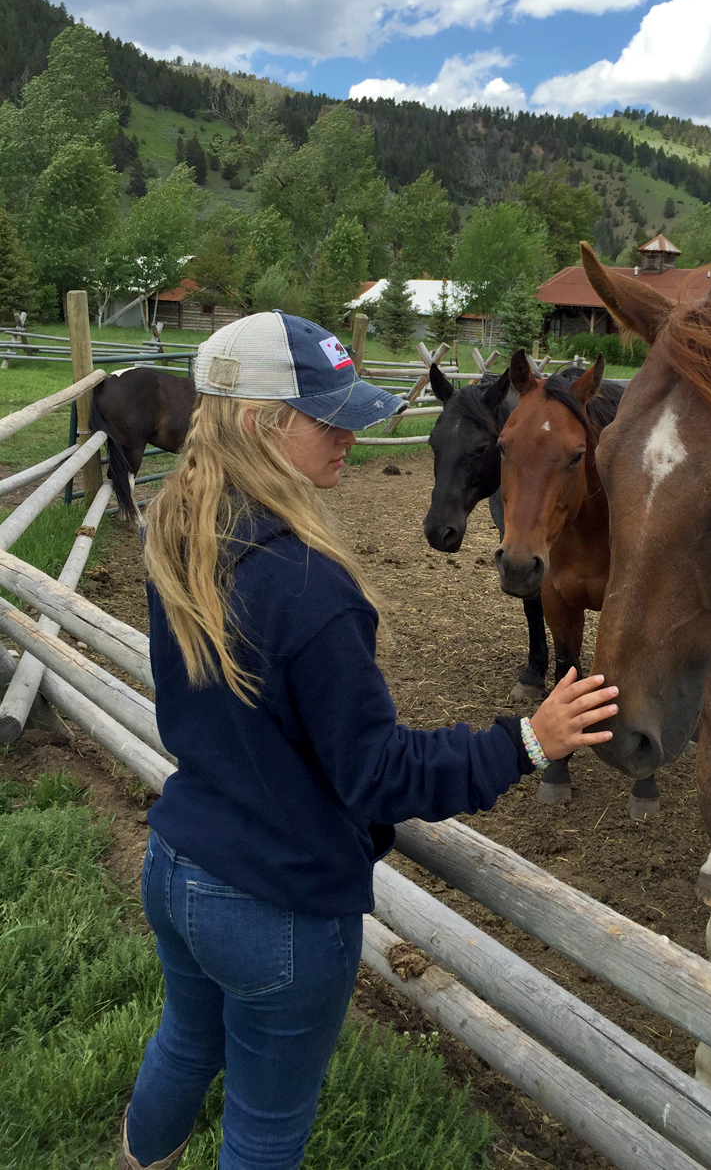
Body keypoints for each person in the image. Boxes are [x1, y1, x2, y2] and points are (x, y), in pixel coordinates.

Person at [121, 311, 618, 1170]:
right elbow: (378, 774)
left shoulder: (182, 528)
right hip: (278, 906)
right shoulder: (310, 588)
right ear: (258, 424)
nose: (351, 434)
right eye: (328, 418)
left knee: (185, 1041)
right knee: (264, 1130)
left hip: (177, 863)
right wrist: (526, 742)